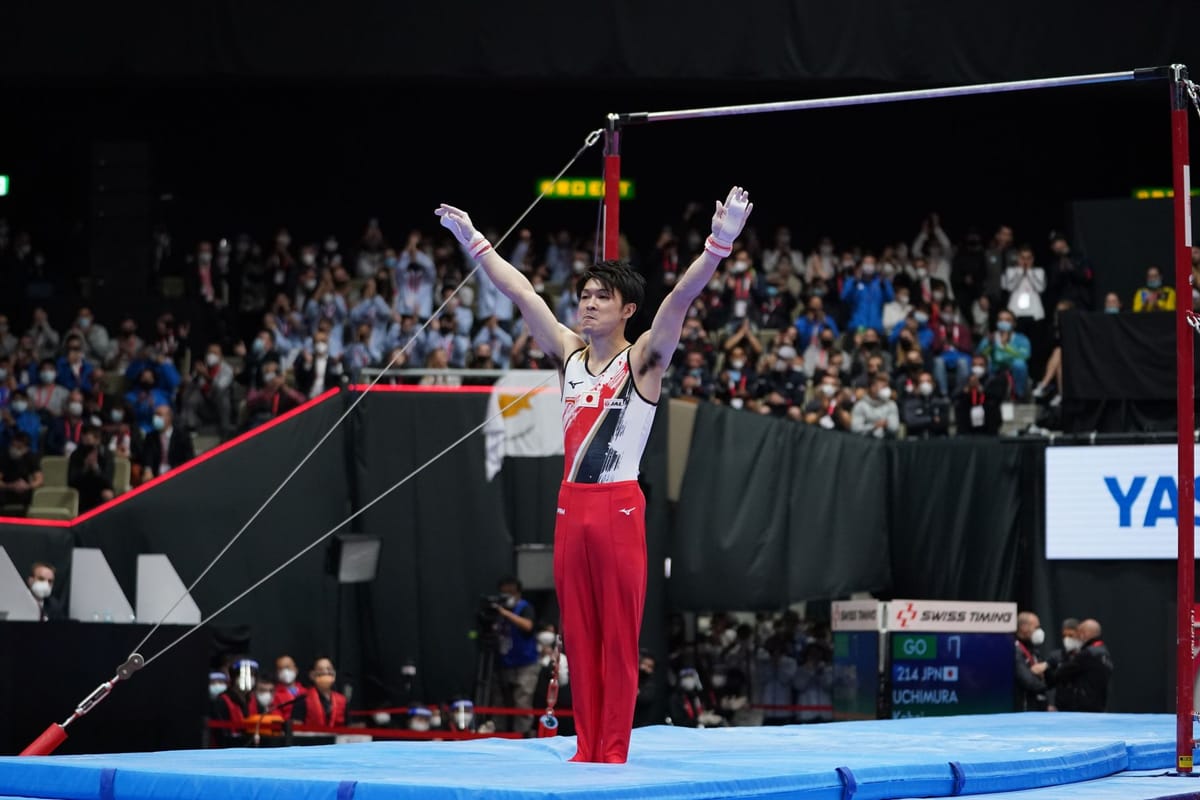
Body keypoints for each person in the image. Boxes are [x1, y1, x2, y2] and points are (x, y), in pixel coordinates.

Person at [436, 185, 752, 763]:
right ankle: (587, 747)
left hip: (619, 507)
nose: (586, 305)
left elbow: (679, 300)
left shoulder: (645, 359)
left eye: (600, 298)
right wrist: (474, 243)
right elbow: (522, 291)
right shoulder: (567, 354)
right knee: (577, 638)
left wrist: (718, 244)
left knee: (617, 638)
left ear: (628, 310)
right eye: (583, 296)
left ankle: (613, 750)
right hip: (570, 506)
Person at [492, 576, 540, 735]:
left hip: (526, 663)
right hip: (505, 662)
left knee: (522, 701)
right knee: (501, 702)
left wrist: (506, 614)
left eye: (511, 593)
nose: (507, 596)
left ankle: (523, 735)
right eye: (504, 593)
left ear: (518, 593)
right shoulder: (497, 610)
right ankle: (500, 733)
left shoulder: (524, 607)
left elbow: (528, 626)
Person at [1050, 618, 1113, 712]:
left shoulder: (1087, 654)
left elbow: (1061, 673)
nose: (1079, 636)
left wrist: (1048, 670)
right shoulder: (1103, 652)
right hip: (1099, 705)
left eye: (1079, 632)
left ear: (1085, 633)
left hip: (1084, 709)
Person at [68, 424, 115, 512]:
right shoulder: (76, 455)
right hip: (82, 490)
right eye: (84, 438)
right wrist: (85, 467)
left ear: (98, 439)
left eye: (89, 440)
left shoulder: (106, 455)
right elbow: (71, 481)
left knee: (108, 494)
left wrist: (95, 467)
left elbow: (108, 481)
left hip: (100, 489)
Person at [292, 656, 347, 728]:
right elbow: (296, 727)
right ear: (312, 675)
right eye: (321, 670)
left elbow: (348, 726)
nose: (326, 672)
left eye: (329, 669)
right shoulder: (302, 699)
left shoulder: (342, 700)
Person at [1013, 611, 1049, 711]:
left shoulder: (1034, 650)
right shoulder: (1015, 649)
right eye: (1036, 627)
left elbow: (1044, 675)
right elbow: (1029, 682)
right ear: (1024, 627)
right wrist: (1049, 683)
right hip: (1024, 709)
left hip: (1038, 707)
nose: (1039, 631)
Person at [0, 432, 44, 513]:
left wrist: (27, 486)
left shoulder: (30, 457)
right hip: (6, 490)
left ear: (26, 448)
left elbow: (39, 480)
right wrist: (11, 486)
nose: (15, 449)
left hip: (24, 490)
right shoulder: (4, 457)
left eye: (19, 447)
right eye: (13, 446)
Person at [272, 654, 306, 719]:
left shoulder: (306, 692)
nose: (285, 671)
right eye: (280, 669)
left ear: (296, 669)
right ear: (277, 673)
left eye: (287, 667)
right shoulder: (273, 694)